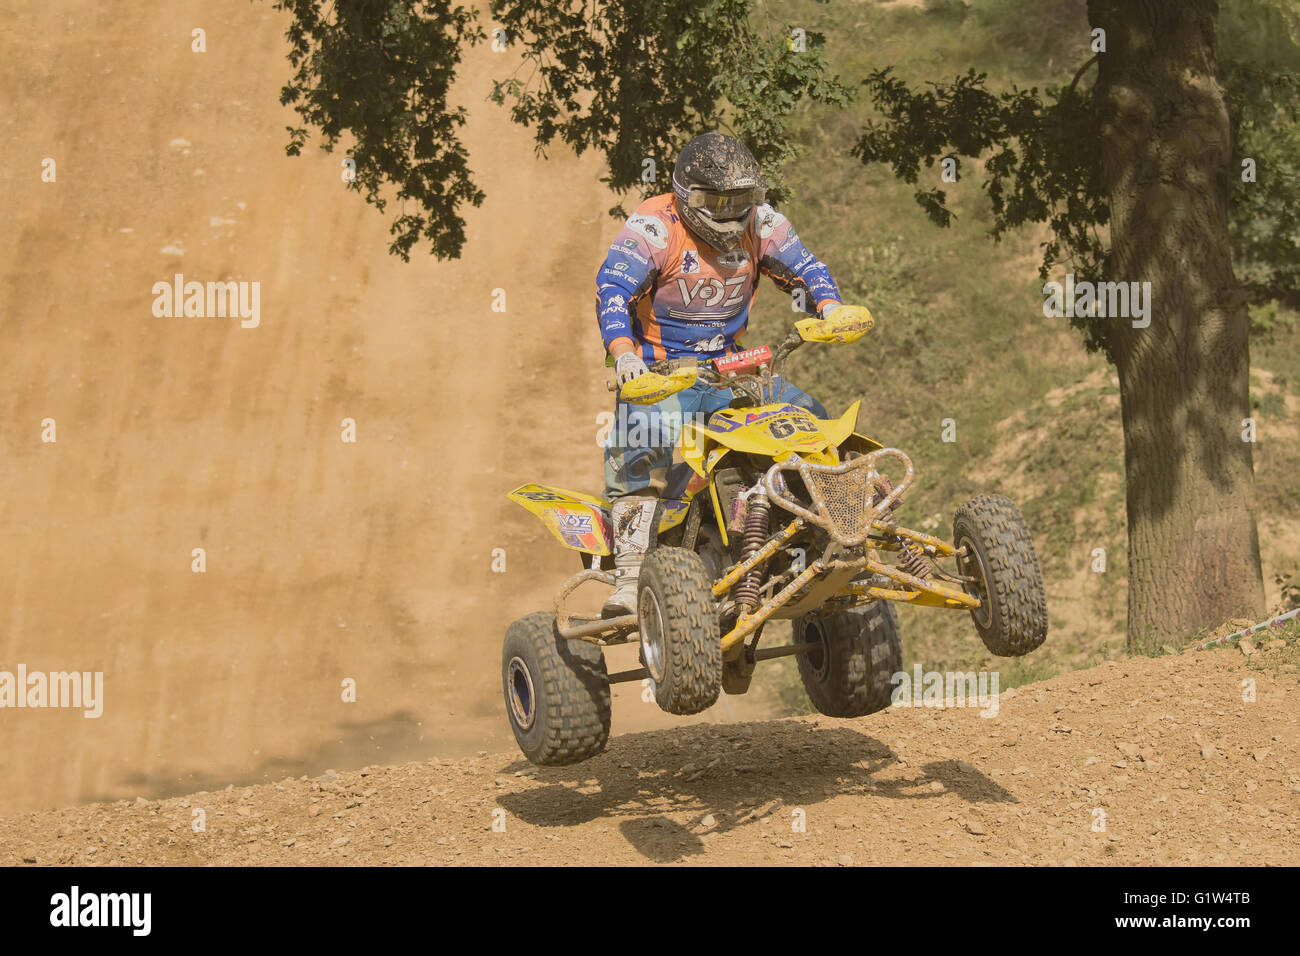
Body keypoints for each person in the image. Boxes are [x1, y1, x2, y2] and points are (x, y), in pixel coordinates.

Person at [595, 130, 868, 616]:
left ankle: (841, 535)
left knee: (812, 420)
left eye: (739, 198)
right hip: (659, 374)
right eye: (716, 200)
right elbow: (613, 290)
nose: (728, 210)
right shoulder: (653, 228)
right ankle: (630, 575)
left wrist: (831, 308)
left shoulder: (762, 224)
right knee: (639, 443)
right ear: (686, 196)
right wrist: (624, 354)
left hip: (731, 370)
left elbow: (806, 266)